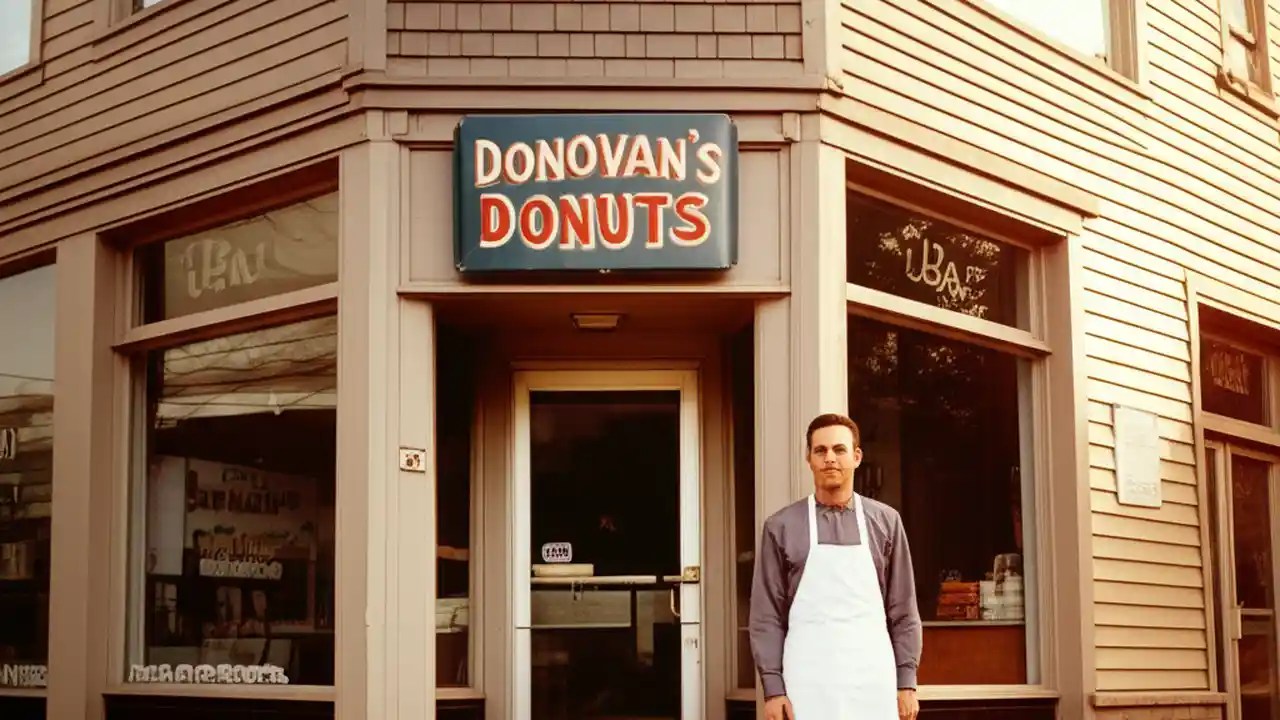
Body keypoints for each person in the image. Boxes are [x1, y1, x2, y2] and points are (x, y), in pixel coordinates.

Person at [749, 413, 922, 720]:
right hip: (806, 680)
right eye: (821, 451)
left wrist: (906, 681)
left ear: (856, 457)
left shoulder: (886, 522)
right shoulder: (781, 526)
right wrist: (774, 688)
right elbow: (766, 615)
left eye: (839, 450)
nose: (830, 458)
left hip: (873, 680)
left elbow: (903, 609)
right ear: (809, 459)